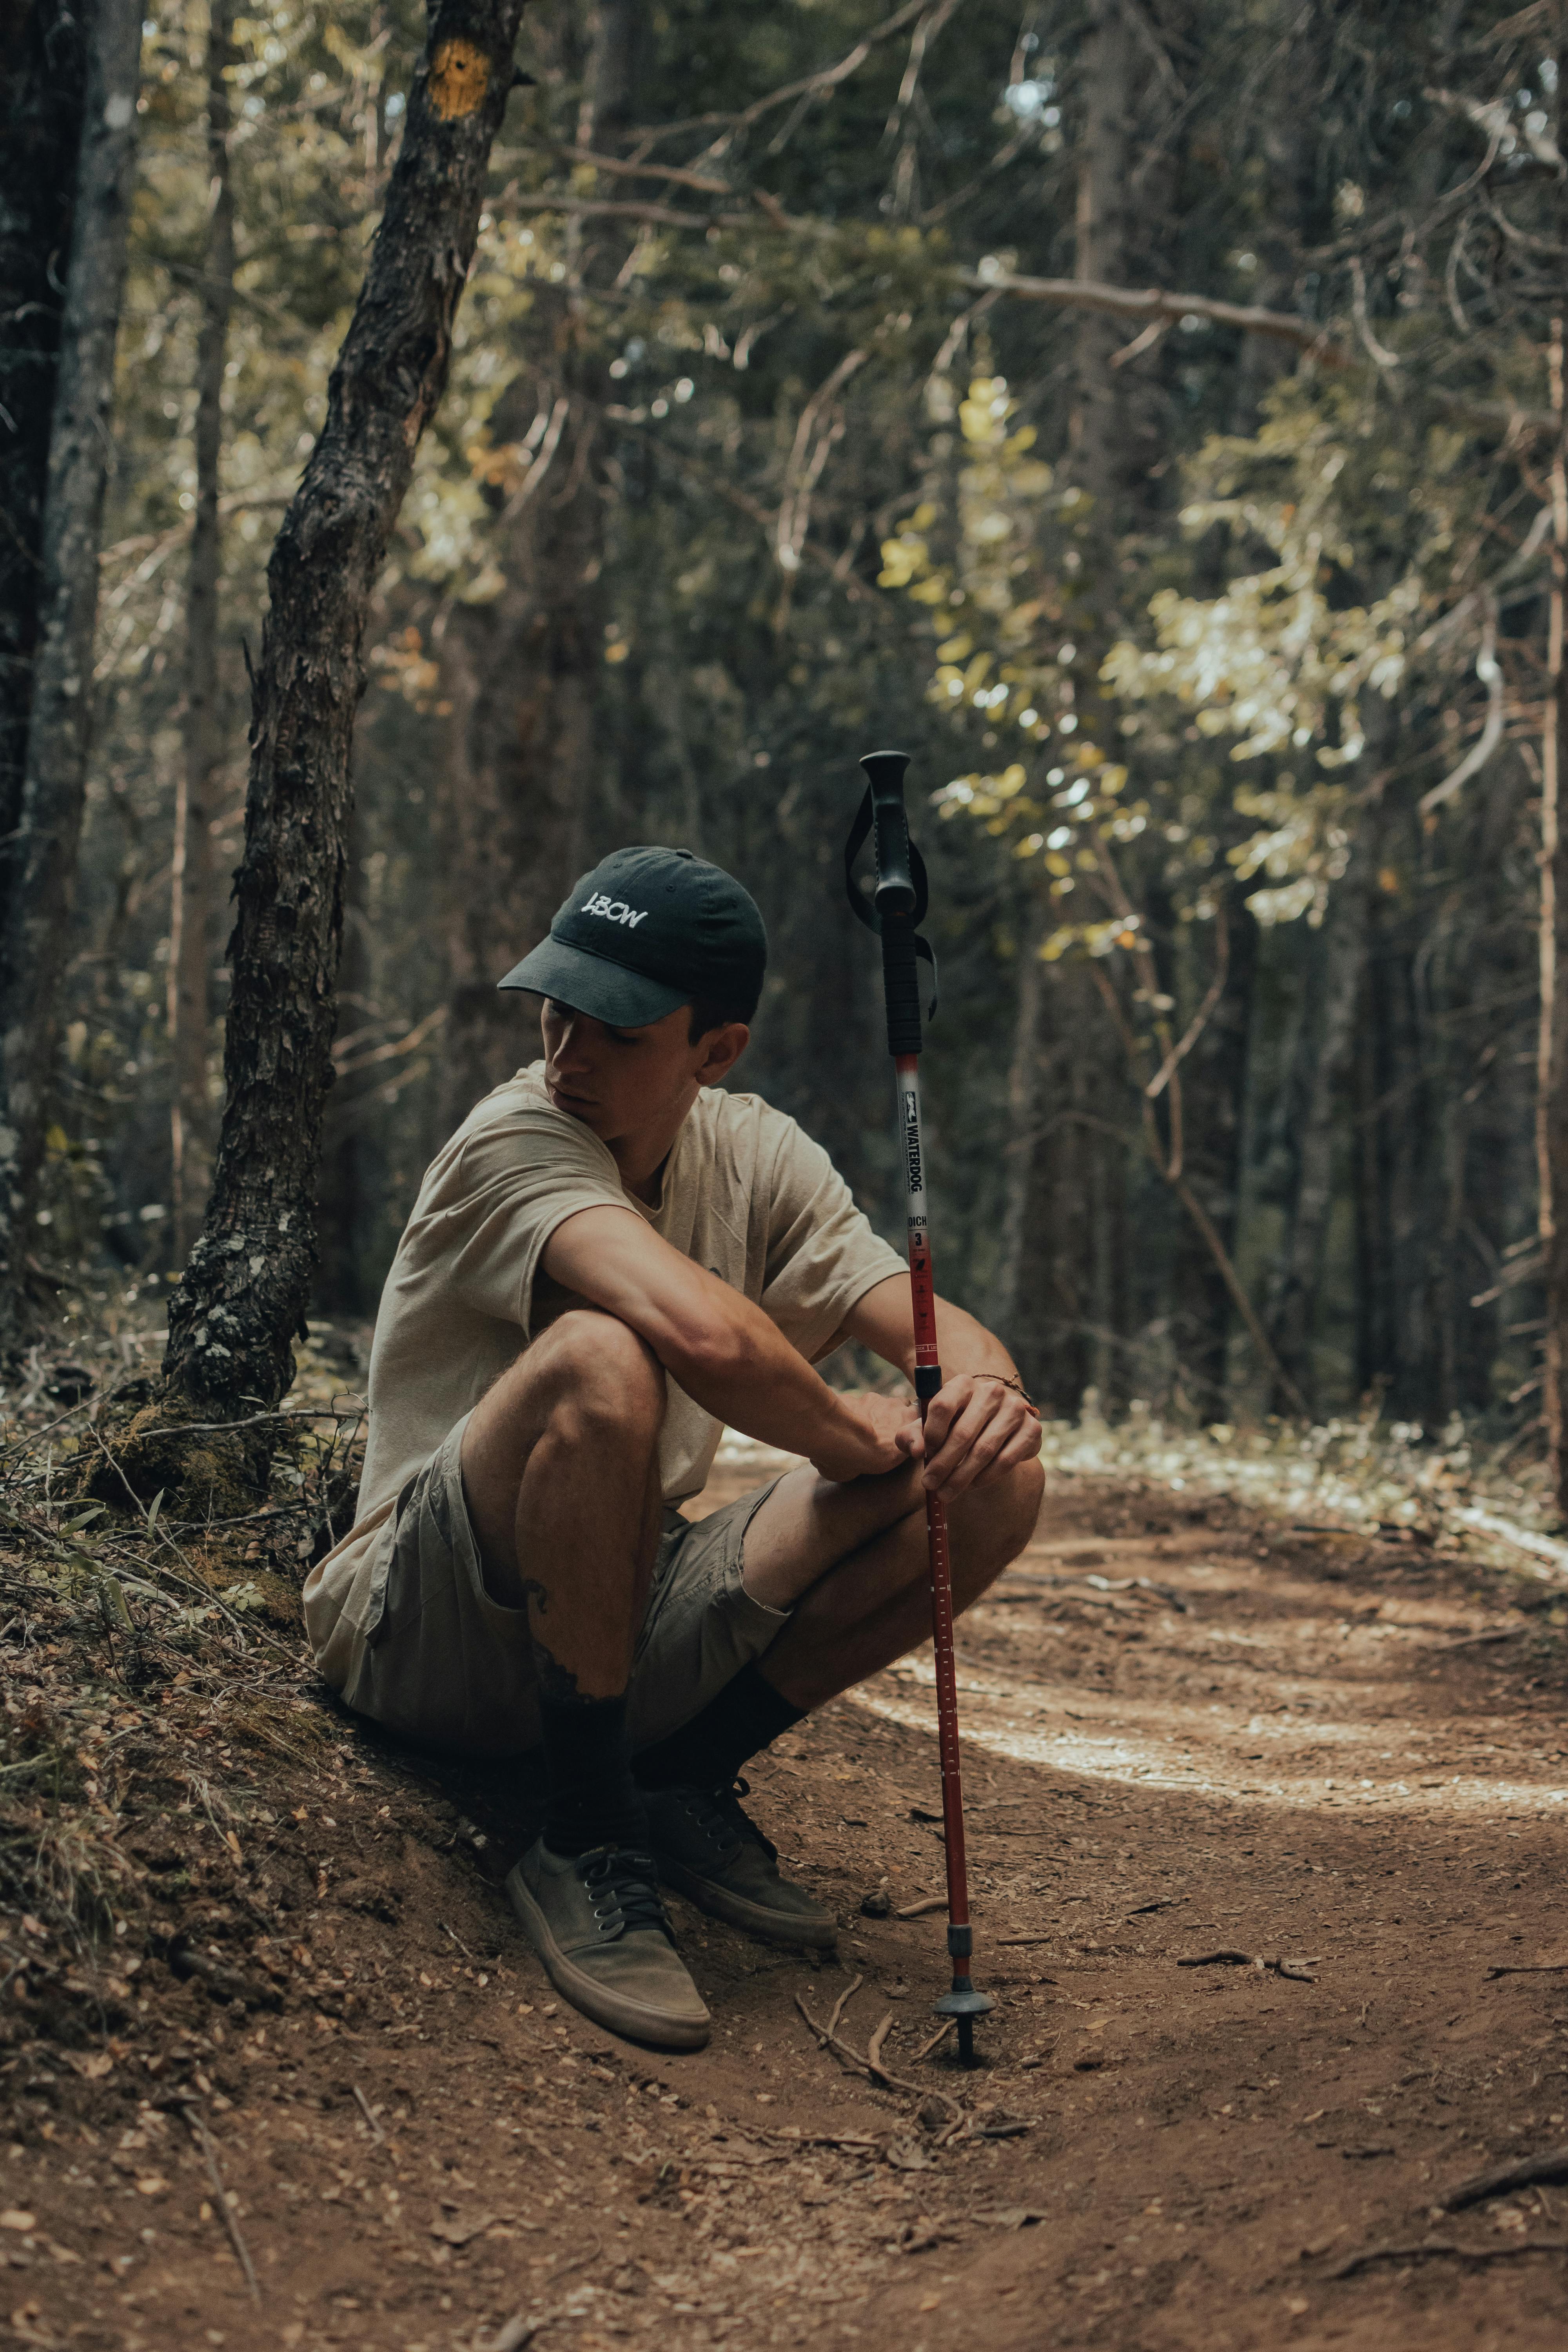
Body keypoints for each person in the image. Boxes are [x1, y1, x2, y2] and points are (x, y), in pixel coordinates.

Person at [305, 846, 1044, 2050]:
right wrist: (851, 1433)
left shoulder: (757, 1151)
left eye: (617, 1030)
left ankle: (670, 1785)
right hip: (415, 1625)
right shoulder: (514, 1140)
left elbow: (918, 1315)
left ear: (716, 1051)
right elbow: (700, 1332)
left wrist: (989, 1386)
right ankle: (586, 1837)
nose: (566, 1053)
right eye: (557, 1010)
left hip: (614, 1609)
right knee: (606, 1358)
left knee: (993, 1475)